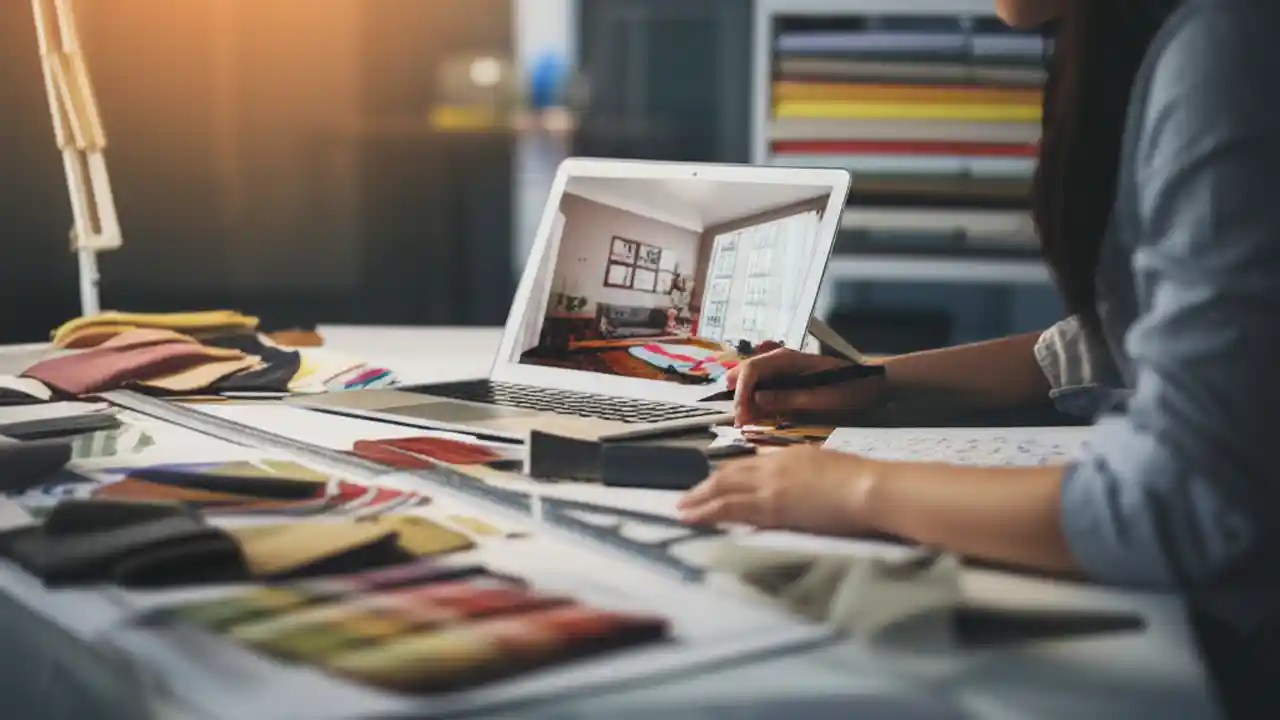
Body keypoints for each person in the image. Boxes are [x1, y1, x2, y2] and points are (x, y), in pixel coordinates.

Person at [679, 0, 1279, 714]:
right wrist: (880, 383)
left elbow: (1185, 496)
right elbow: (1125, 341)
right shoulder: (1170, 41)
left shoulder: (1224, 50)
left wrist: (854, 489)